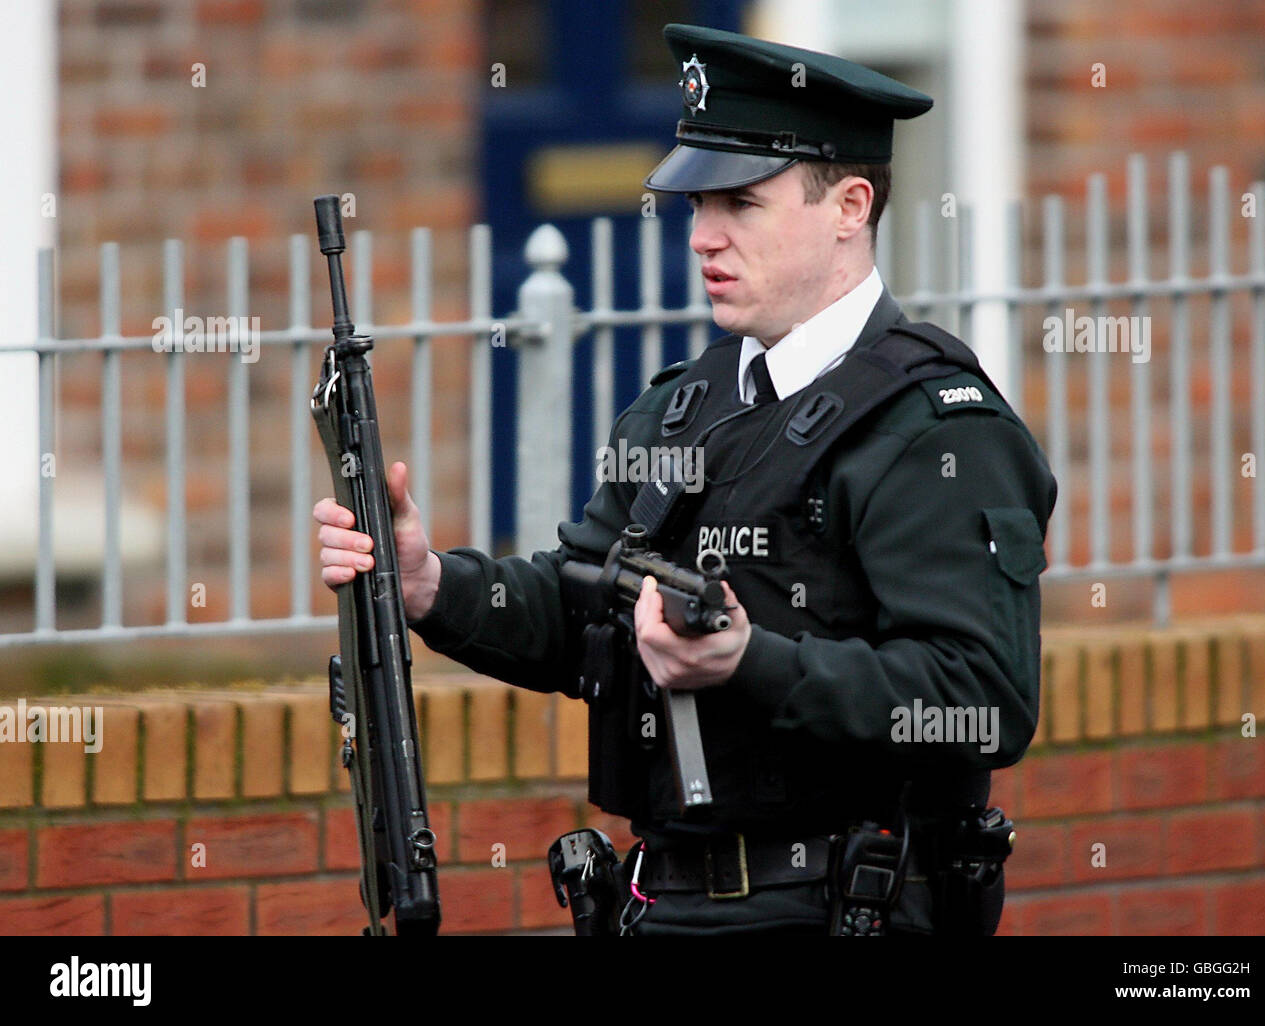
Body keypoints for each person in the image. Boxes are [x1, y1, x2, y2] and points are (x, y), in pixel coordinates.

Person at [315, 23, 1055, 936]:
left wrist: (753, 664)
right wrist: (432, 585)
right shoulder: (686, 405)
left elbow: (981, 703)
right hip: (659, 900)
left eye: (740, 202)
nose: (703, 236)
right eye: (695, 204)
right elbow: (580, 608)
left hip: (841, 907)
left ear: (850, 205)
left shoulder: (935, 429)